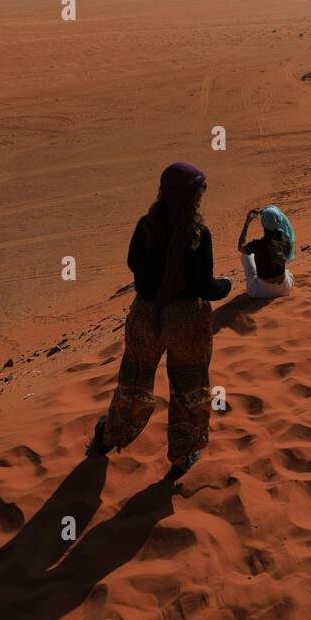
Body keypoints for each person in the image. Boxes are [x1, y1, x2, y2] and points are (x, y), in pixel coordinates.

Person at [88, 163, 231, 478]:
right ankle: (181, 456)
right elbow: (205, 286)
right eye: (198, 192)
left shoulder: (146, 226)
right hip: (187, 321)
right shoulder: (198, 234)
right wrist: (226, 286)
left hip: (146, 316)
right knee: (189, 385)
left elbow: (132, 263)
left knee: (134, 380)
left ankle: (108, 437)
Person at [238, 205, 296, 298]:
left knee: (246, 255)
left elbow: (240, 247)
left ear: (263, 224)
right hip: (284, 289)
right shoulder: (285, 239)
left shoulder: (258, 245)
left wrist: (247, 223)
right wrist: (267, 214)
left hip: (261, 292)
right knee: (286, 272)